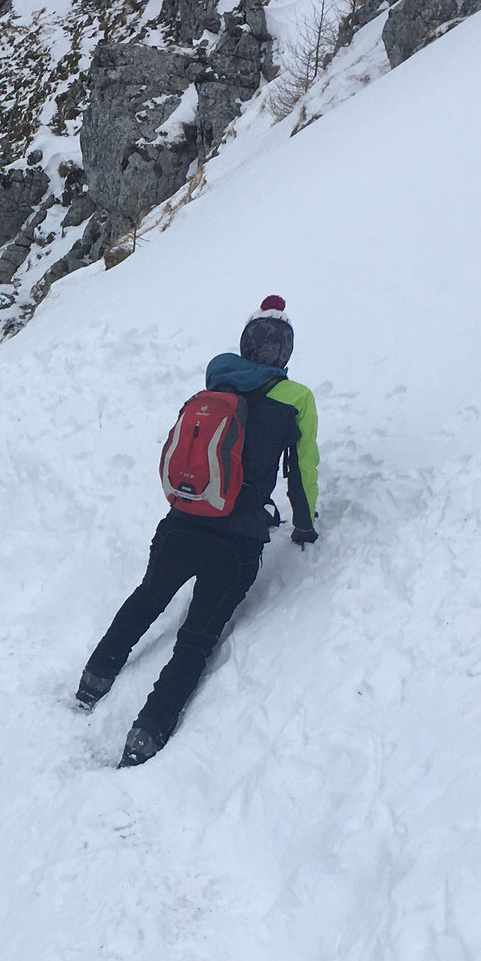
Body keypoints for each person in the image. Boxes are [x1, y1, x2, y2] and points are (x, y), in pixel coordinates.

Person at [77, 295, 320, 767]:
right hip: (237, 543)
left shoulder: (217, 384)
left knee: (147, 597)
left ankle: (93, 680)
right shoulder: (296, 399)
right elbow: (302, 472)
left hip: (182, 524)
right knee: (195, 642)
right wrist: (305, 527)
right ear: (285, 353)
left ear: (245, 345)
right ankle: (145, 735)